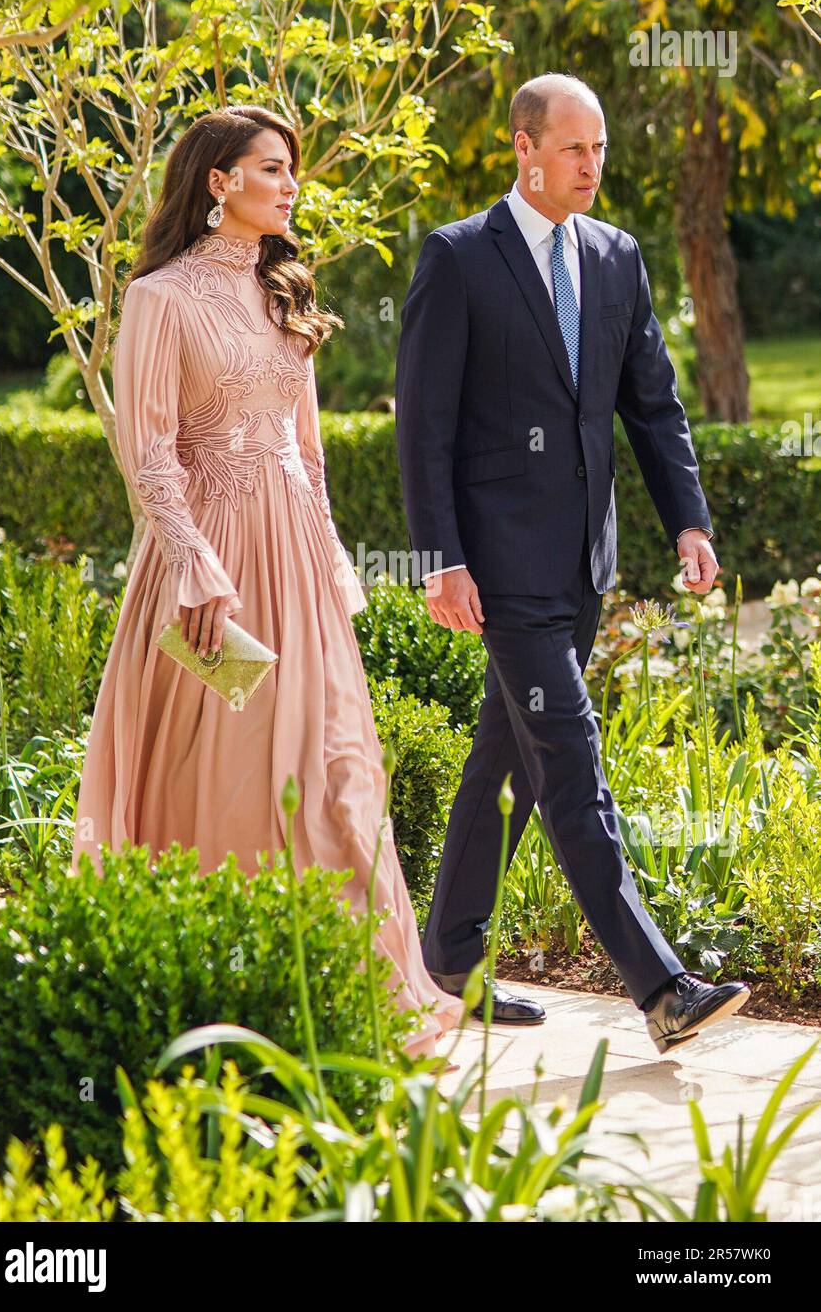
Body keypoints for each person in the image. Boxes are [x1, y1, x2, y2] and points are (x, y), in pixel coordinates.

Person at [70, 104, 464, 1060]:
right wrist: (193, 565)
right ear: (218, 184)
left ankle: (349, 988)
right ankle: (224, 990)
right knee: (233, 774)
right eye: (273, 169)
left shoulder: (287, 287)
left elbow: (310, 450)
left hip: (296, 565)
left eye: (292, 170)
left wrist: (330, 557)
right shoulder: (159, 300)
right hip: (213, 572)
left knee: (336, 772)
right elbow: (148, 450)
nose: (292, 185)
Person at [394, 73, 750, 1055]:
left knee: (503, 755)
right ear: (523, 147)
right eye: (573, 148)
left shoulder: (617, 256)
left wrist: (687, 521)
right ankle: (660, 984)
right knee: (567, 760)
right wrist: (440, 558)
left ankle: (448, 959)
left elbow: (651, 403)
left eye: (598, 148)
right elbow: (421, 426)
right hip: (497, 569)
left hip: (581, 561)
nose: (591, 165)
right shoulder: (458, 258)